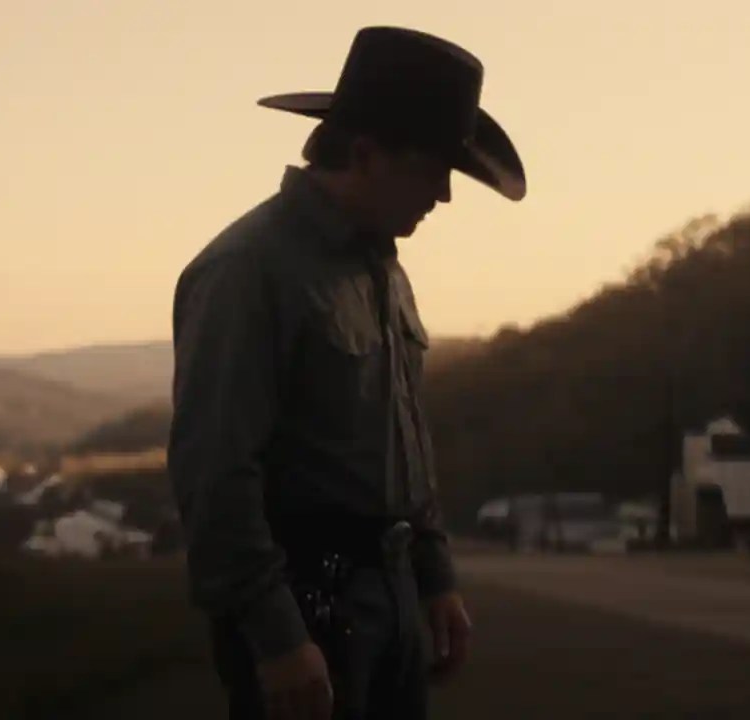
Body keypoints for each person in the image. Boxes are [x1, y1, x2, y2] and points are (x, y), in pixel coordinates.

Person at [168, 26, 526, 720]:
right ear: (364, 155)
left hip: (387, 595)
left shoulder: (381, 267)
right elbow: (215, 472)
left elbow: (402, 437)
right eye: (431, 170)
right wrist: (276, 636)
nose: (445, 196)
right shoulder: (248, 272)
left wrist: (432, 574)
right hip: (306, 599)